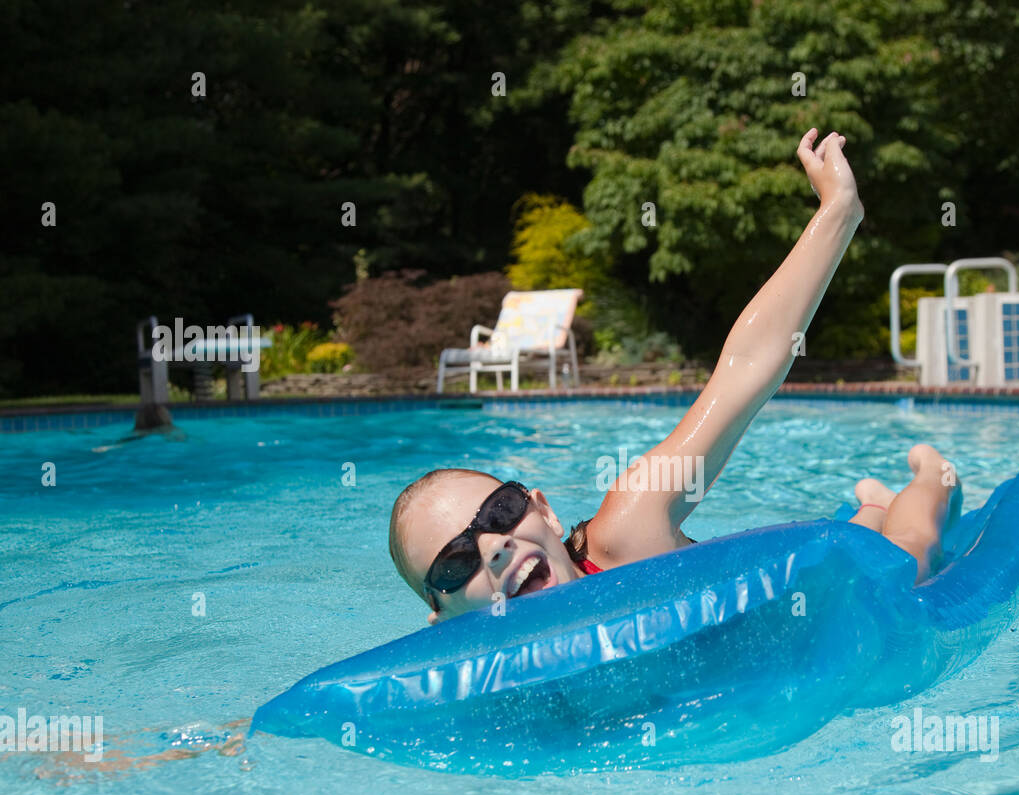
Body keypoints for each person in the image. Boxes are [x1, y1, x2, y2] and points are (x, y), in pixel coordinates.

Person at [390, 129, 961, 625]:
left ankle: (927, 477)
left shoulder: (631, 532)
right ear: (438, 614)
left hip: (822, 598)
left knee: (907, 556)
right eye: (456, 561)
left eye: (500, 513)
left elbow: (742, 375)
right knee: (858, 528)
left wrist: (837, 210)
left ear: (543, 510)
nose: (493, 546)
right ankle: (869, 506)